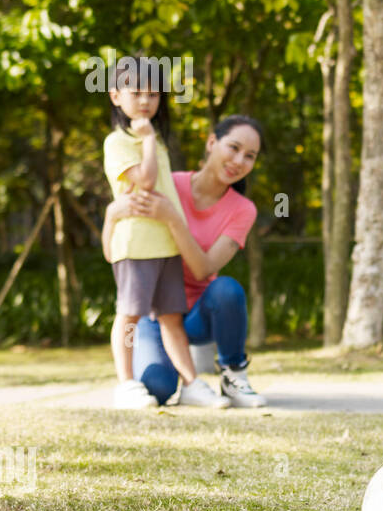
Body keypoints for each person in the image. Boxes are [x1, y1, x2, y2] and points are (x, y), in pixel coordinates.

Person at [103, 114, 267, 408]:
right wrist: (112, 213)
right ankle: (154, 381)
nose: (239, 160)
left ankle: (233, 376)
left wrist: (172, 218)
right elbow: (127, 232)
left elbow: (204, 269)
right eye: (233, 147)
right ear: (211, 142)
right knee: (157, 389)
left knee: (227, 290)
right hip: (156, 315)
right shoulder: (170, 184)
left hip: (196, 316)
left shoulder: (243, 209)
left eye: (250, 156)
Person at [103, 58, 226, 410]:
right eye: (136, 91)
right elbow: (142, 180)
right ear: (115, 96)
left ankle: (191, 383)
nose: (145, 100)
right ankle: (125, 384)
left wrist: (149, 142)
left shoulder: (154, 143)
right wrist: (146, 141)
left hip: (165, 245)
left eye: (153, 93)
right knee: (129, 314)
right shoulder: (119, 141)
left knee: (172, 316)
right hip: (135, 245)